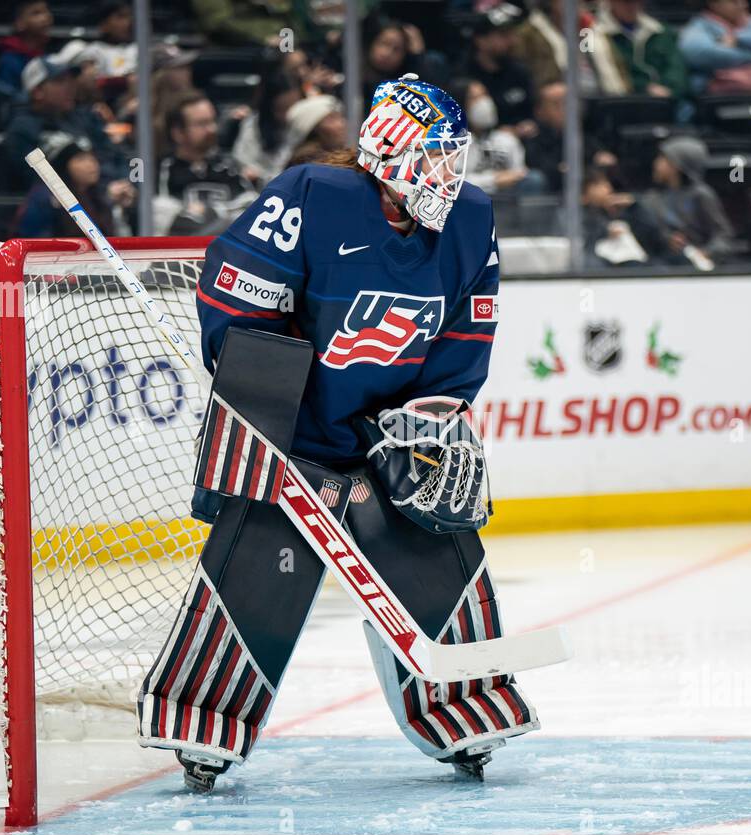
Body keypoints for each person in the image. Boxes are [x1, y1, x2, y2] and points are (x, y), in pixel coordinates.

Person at [137, 75, 539, 791]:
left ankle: (462, 710)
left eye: (455, 156)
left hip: (389, 439)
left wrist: (434, 415)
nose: (453, 174)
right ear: (392, 150)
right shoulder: (310, 197)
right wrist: (265, 397)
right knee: (258, 569)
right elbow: (236, 298)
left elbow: (468, 327)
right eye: (438, 156)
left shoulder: (471, 220)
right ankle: (205, 723)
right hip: (294, 436)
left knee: (434, 553)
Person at [0, 53, 134, 198]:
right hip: (58, 212)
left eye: (71, 80)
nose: (70, 87)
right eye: (60, 81)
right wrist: (103, 191)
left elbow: (113, 156)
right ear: (38, 91)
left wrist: (124, 184)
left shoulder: (85, 119)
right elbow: (34, 183)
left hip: (106, 202)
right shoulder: (22, 130)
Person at [156, 91, 255, 233]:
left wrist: (209, 211)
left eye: (212, 121)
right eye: (202, 124)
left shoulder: (228, 167)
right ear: (178, 133)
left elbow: (250, 204)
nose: (212, 129)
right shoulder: (163, 170)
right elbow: (161, 214)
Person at [634, 135, 736, 268]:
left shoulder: (701, 195)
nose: (656, 163)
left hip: (697, 267)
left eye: (662, 159)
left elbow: (723, 236)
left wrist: (705, 253)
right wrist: (665, 240)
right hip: (660, 265)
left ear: (676, 165)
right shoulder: (651, 198)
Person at [14, 132, 125, 237]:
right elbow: (32, 237)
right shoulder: (44, 198)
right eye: (81, 159)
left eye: (92, 158)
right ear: (63, 165)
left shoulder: (99, 196)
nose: (91, 164)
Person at [450, 78, 544, 195]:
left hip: (508, 201)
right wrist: (494, 180)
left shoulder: (506, 139)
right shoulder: (451, 144)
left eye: (485, 95)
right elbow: (453, 182)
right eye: (474, 98)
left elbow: (519, 174)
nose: (484, 102)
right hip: (470, 202)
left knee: (534, 179)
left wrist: (508, 179)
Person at [679, 0, 751, 95]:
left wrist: (739, 39)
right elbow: (697, 53)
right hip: (718, 93)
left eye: (743, 0)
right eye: (734, 1)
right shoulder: (699, 26)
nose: (742, 5)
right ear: (714, 4)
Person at [590, 0, 688, 101]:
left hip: (669, 102)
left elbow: (677, 69)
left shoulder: (660, 31)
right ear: (611, 2)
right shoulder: (596, 36)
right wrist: (645, 88)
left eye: (637, 1)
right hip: (627, 103)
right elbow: (613, 80)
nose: (632, 5)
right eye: (626, 2)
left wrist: (669, 90)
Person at [0, 0, 53, 93]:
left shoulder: (48, 58)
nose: (46, 17)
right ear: (20, 23)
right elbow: (10, 98)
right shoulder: (10, 61)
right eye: (36, 13)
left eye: (47, 11)